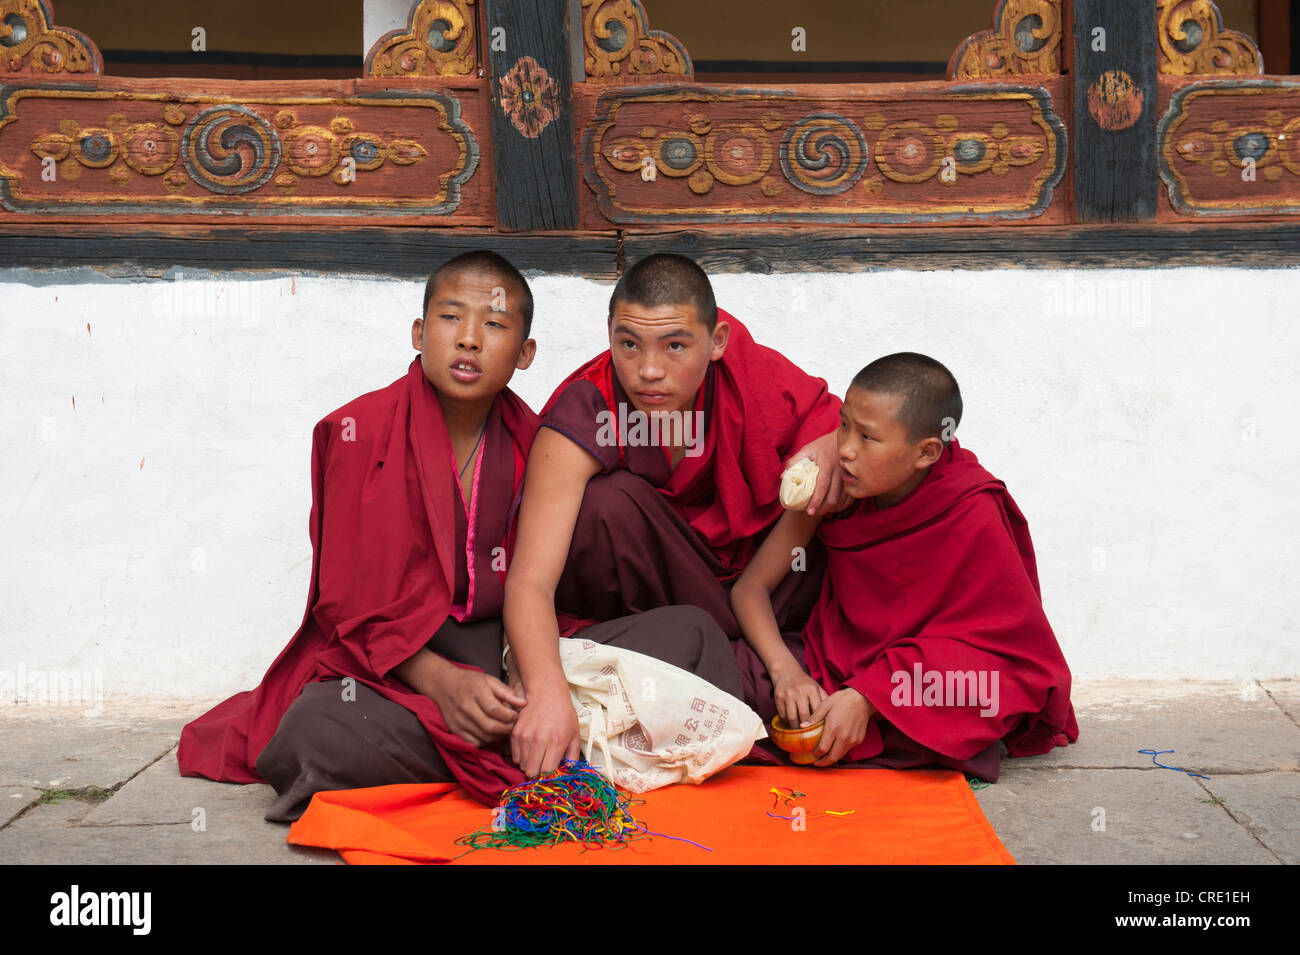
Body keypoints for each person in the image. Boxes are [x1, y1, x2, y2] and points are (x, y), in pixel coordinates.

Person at [177, 250, 740, 820]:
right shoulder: (359, 432)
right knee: (314, 734)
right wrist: (444, 685)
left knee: (691, 634)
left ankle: (529, 733)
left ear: (525, 354)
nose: (469, 339)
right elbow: (345, 606)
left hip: (515, 655)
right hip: (400, 669)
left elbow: (542, 590)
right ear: (419, 333)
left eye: (494, 325)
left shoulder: (537, 441)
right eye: (451, 318)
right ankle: (549, 746)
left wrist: (533, 682)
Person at [503, 253, 843, 778]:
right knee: (607, 503)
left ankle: (726, 665)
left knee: (839, 497)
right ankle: (718, 665)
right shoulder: (589, 411)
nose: (649, 371)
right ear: (610, 334)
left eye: (675, 346)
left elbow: (842, 428)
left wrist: (827, 446)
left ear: (718, 341)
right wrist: (547, 694)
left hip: (759, 590)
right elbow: (529, 580)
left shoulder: (751, 378)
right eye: (629, 344)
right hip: (661, 607)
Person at [729, 352, 1078, 780]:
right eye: (843, 426)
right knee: (727, 676)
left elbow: (1014, 656)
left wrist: (870, 697)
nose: (845, 450)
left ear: (926, 452)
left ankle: (870, 719)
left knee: (981, 689)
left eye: (867, 438)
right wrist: (787, 673)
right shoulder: (836, 484)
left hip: (918, 680)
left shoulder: (970, 507)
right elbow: (751, 588)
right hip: (832, 661)